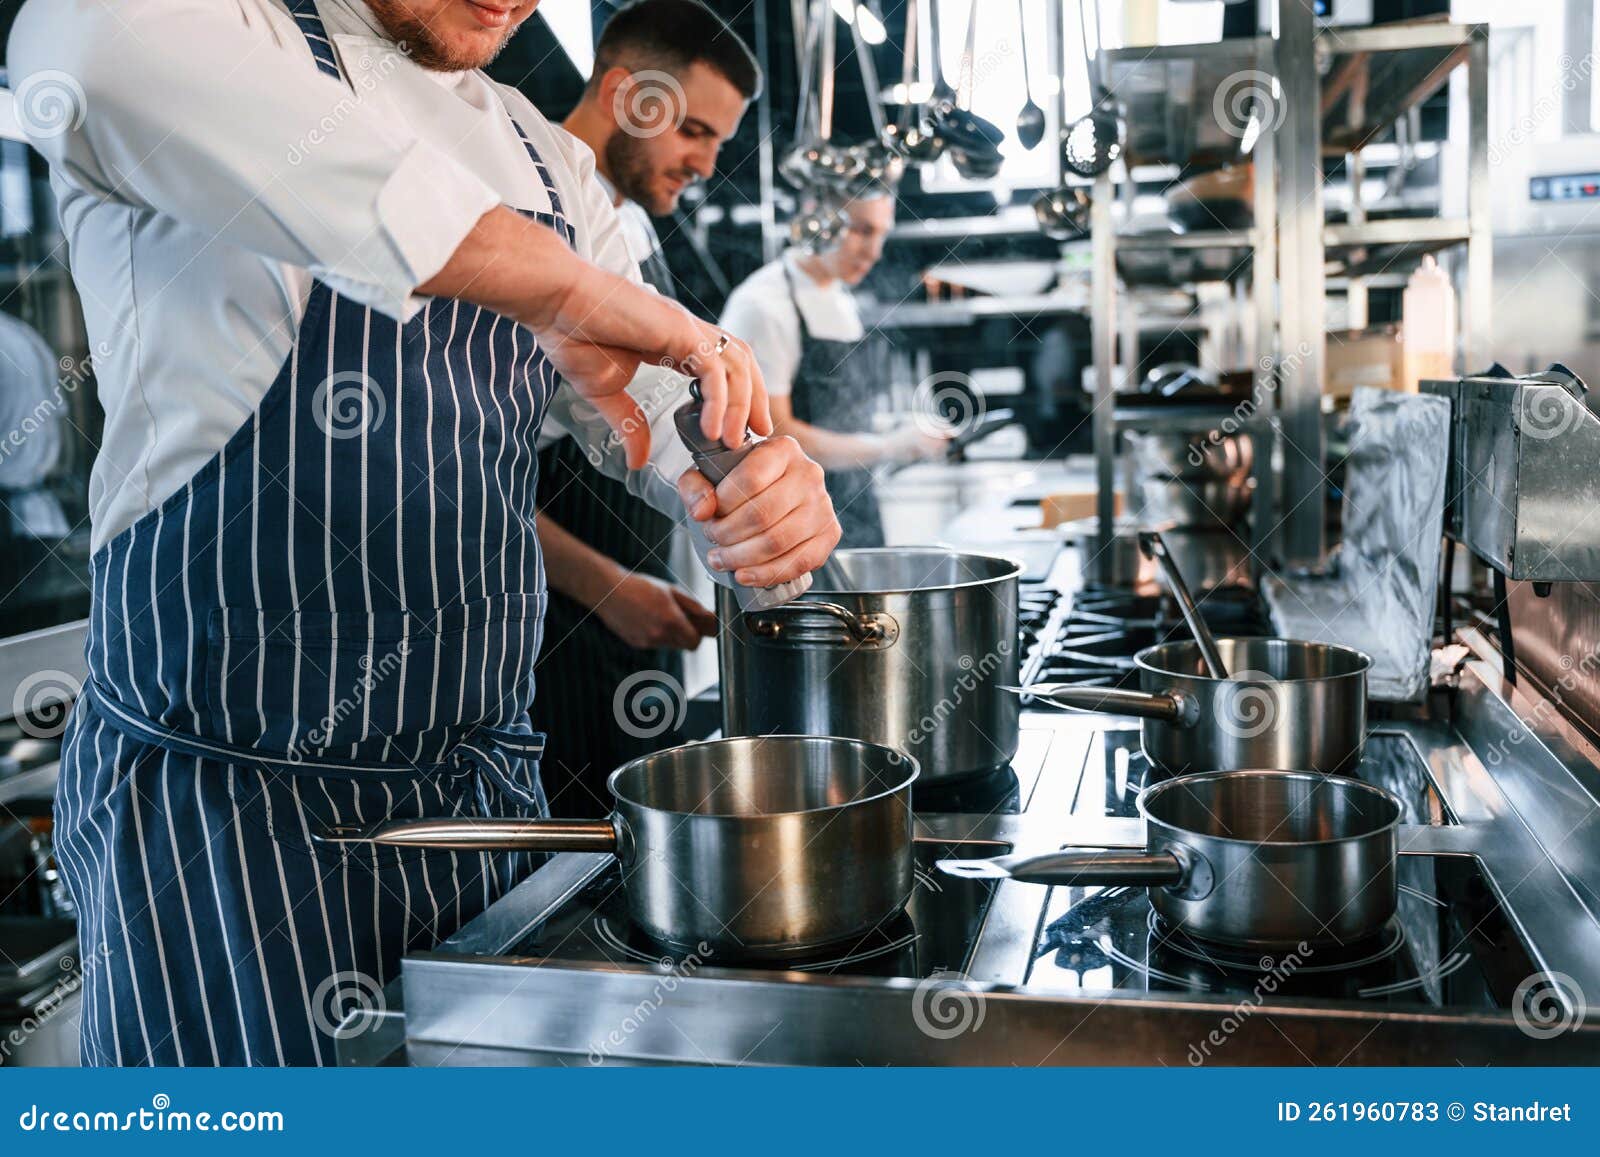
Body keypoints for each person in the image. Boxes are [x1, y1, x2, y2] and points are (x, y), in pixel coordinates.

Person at [9, 0, 838, 1067]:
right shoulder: (182, 29)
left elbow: (661, 411)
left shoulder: (547, 167)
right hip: (228, 835)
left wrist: (751, 473)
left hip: (483, 812)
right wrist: (575, 294)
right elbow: (87, 58)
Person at [532, 0, 756, 817]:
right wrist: (606, 588)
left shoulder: (621, 215)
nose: (705, 162)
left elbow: (642, 413)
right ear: (627, 94)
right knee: (584, 850)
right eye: (694, 131)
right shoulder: (521, 215)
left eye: (719, 143)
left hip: (628, 582)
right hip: (553, 614)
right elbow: (465, 471)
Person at [719, 185, 950, 547]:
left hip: (856, 510)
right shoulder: (763, 306)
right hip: (791, 523)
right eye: (862, 230)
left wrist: (900, 432)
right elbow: (773, 433)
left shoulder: (841, 297)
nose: (874, 253)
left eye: (881, 234)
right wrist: (887, 446)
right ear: (816, 214)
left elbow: (845, 413)